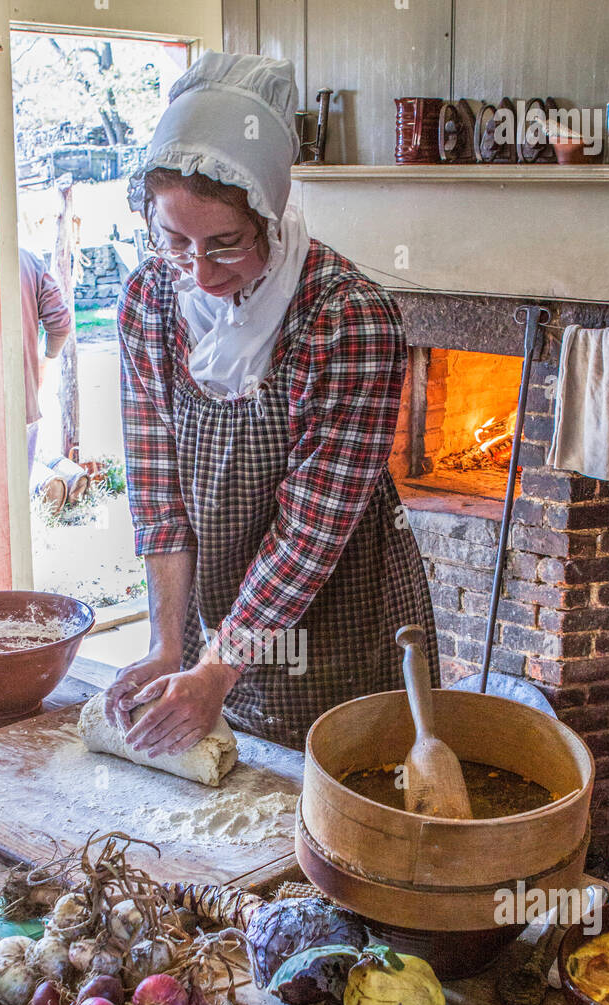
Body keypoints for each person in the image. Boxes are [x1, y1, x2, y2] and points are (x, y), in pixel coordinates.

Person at [104, 51, 439, 758]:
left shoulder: (348, 319)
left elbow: (311, 531)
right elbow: (158, 493)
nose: (198, 272)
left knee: (336, 793)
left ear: (271, 215)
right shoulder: (147, 303)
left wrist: (219, 666)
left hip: (337, 610)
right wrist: (172, 648)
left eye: (225, 244)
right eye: (174, 242)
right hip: (213, 612)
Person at [18, 247, 87, 512]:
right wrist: (45, 362)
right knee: (15, 505)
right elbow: (60, 322)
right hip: (23, 400)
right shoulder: (27, 259)